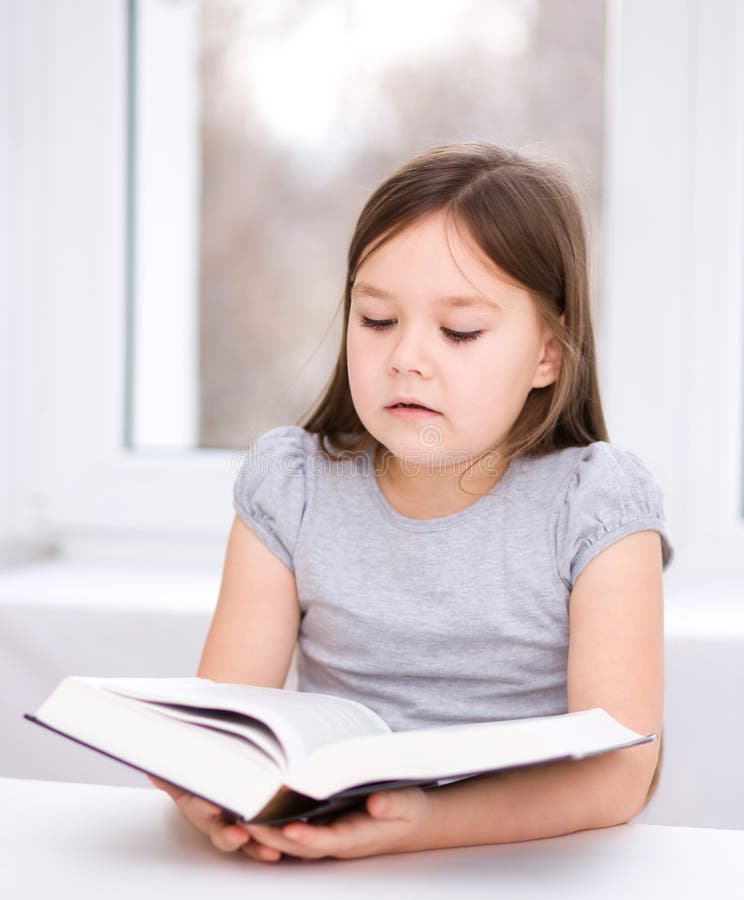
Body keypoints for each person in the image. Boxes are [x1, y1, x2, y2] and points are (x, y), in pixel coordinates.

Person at [149, 142, 674, 863]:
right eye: (376, 320)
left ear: (549, 354)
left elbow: (620, 777)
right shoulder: (292, 486)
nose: (406, 358)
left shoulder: (596, 504)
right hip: (326, 865)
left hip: (522, 869)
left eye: (459, 330)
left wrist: (420, 824)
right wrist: (209, 796)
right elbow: (223, 731)